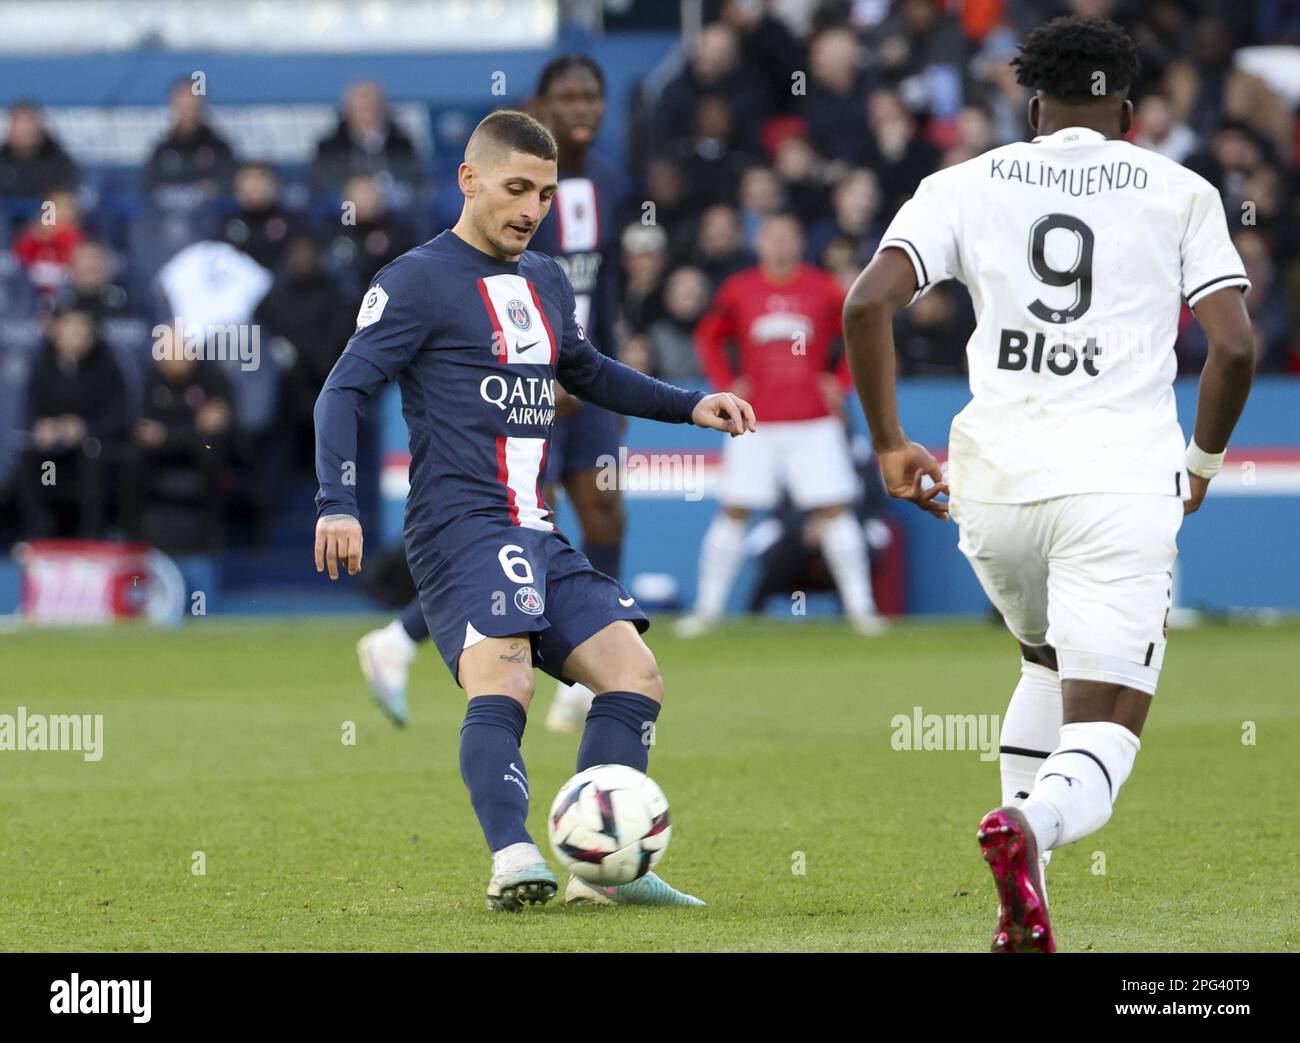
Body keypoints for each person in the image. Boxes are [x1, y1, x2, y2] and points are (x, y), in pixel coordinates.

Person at [841, 15, 1255, 952]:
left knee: (1042, 661)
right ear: (1130, 110)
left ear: (1029, 103)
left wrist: (889, 443)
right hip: (1117, 487)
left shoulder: (961, 183)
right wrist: (1200, 464)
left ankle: (1022, 906)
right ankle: (1028, 826)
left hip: (994, 488)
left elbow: (866, 302)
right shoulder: (1180, 190)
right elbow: (1233, 344)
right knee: (1108, 722)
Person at [313, 109, 756, 911]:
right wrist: (336, 502)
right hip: (459, 527)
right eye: (516, 189)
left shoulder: (547, 279)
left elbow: (584, 370)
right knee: (507, 680)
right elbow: (343, 388)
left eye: (545, 195)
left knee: (634, 676)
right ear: (469, 179)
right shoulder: (414, 280)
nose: (530, 209)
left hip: (537, 527)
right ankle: (513, 854)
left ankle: (600, 867)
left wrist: (691, 405)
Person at [355, 56, 634, 736]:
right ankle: (407, 639)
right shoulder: (512, 181)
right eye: (567, 95)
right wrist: (529, 373)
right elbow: (480, 277)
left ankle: (404, 640)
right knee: (526, 523)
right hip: (521, 378)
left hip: (582, 370)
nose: (581, 108)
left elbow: (609, 279)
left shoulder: (610, 182)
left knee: (603, 510)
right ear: (541, 101)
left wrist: (615, 355)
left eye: (592, 95)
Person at [677, 211, 882, 637]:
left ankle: (863, 612)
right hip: (754, 420)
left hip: (814, 422)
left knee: (834, 510)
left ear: (800, 241)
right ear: (760, 242)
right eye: (772, 236)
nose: (780, 244)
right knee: (735, 509)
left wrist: (840, 381)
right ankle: (708, 611)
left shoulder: (823, 288)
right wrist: (725, 384)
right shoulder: (739, 289)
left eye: (788, 236)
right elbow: (709, 335)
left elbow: (858, 331)